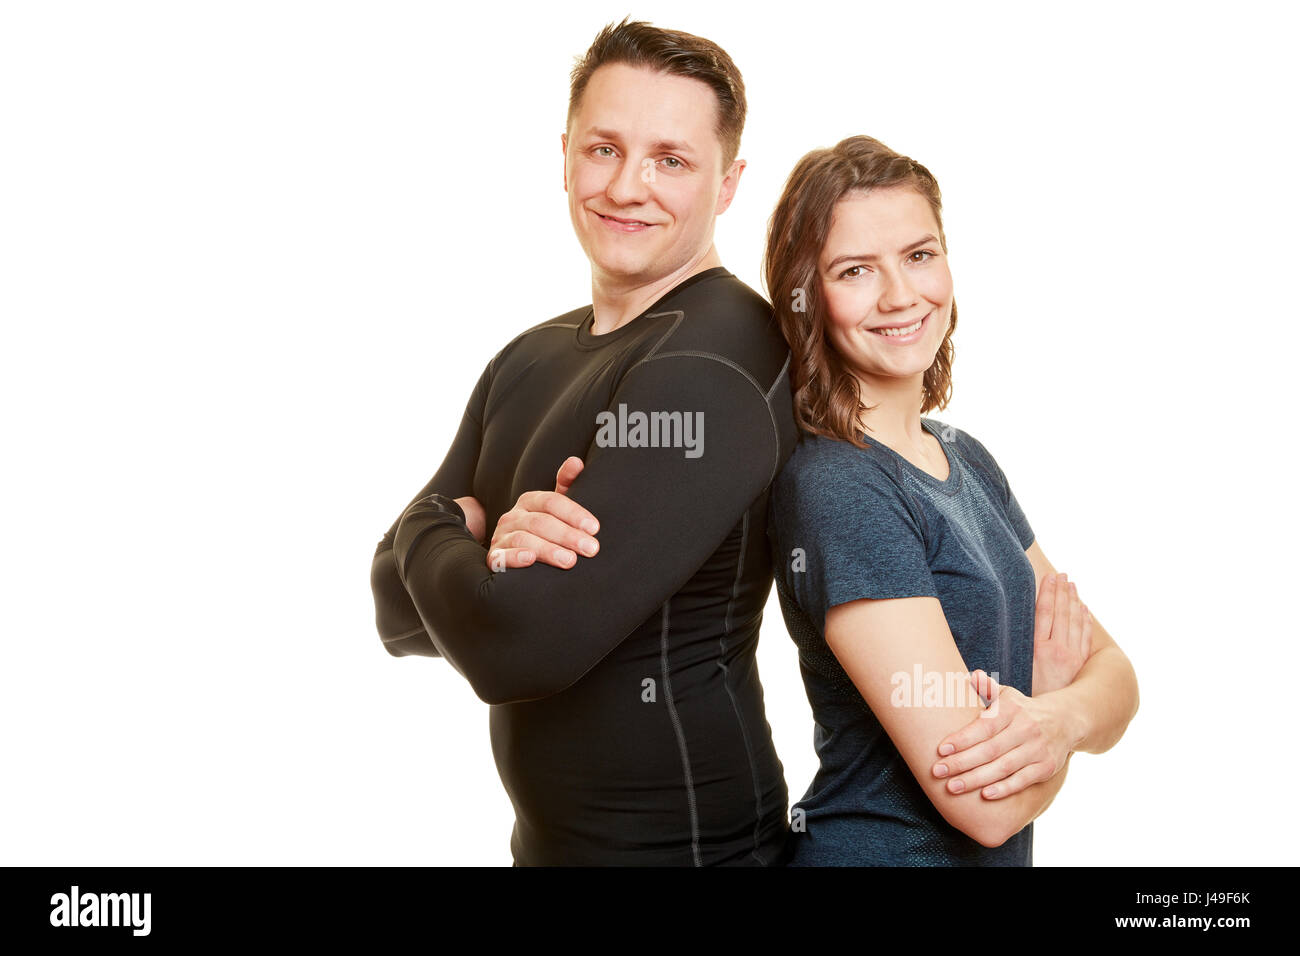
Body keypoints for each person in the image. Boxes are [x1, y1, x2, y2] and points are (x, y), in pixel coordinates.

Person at [368, 19, 795, 866]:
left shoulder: (717, 357)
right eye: (605, 148)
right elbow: (394, 613)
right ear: (565, 154)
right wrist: (484, 559)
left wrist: (435, 531)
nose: (628, 186)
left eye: (671, 159)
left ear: (728, 183)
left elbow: (516, 648)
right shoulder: (528, 357)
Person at [762, 135, 1139, 865]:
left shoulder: (964, 457)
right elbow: (982, 809)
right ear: (808, 297)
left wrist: (1057, 715)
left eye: (920, 254)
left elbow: (1118, 675)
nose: (901, 295)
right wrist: (1062, 711)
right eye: (855, 270)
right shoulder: (840, 485)